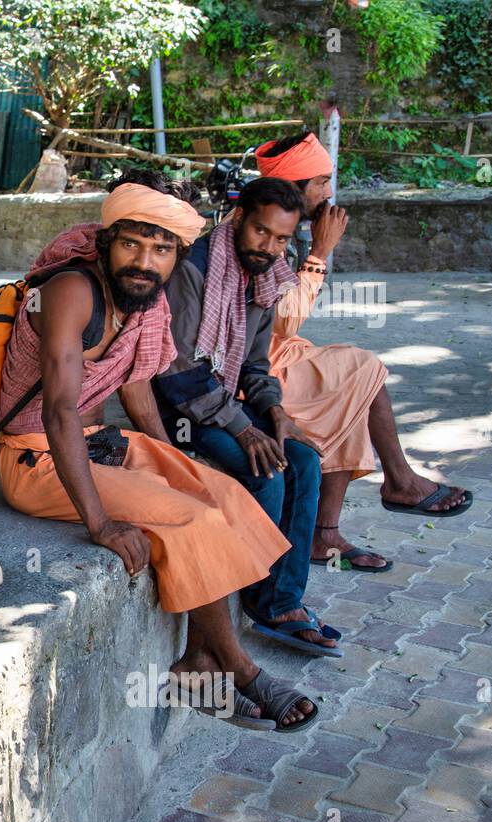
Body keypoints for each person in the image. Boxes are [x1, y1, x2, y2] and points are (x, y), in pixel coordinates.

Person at [0, 170, 318, 730]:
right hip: (36, 457)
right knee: (190, 518)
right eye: (132, 244)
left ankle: (199, 656)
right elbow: (58, 410)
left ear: (178, 253)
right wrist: (100, 523)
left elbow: (137, 384)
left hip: (99, 444)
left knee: (223, 494)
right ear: (107, 240)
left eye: (162, 248)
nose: (145, 261)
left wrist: (178, 462)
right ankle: (238, 667)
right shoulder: (72, 289)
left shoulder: (144, 298)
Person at [256, 133, 472, 573]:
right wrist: (319, 253)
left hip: (275, 353)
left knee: (353, 383)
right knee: (363, 367)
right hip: (252, 369)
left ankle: (331, 531)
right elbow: (284, 320)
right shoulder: (261, 234)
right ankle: (397, 483)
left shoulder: (285, 227)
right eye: (320, 182)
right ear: (296, 188)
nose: (328, 192)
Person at [156, 176, 337, 656]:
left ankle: (280, 599)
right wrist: (243, 427)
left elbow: (255, 364)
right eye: (261, 232)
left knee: (302, 458)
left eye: (281, 238)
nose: (269, 247)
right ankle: (252, 594)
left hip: (221, 398)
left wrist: (275, 413)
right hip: (177, 405)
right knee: (266, 473)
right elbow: (177, 372)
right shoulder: (195, 268)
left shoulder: (265, 275)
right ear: (239, 218)